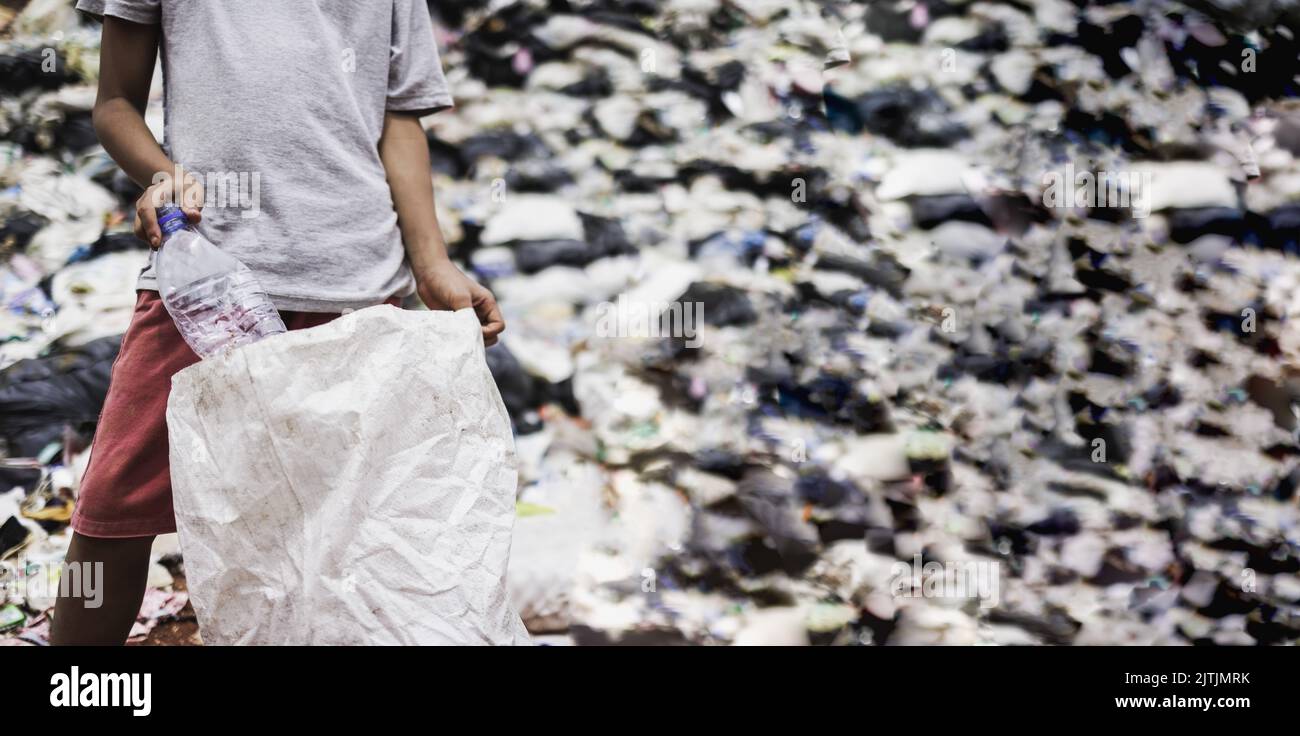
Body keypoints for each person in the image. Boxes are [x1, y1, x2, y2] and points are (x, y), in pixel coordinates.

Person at [51, 0, 502, 644]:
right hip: (206, 279)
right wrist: (164, 176)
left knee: (348, 531)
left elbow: (398, 119)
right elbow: (115, 103)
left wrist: (433, 264)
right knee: (112, 512)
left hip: (357, 287)